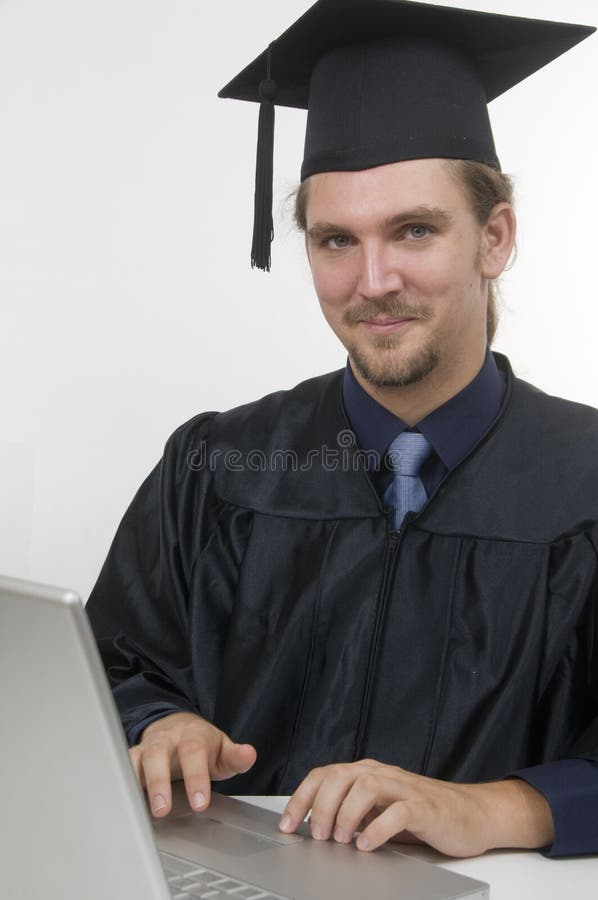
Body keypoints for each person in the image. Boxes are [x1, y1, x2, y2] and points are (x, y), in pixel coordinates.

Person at [87, 0, 598, 859]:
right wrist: (159, 723)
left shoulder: (586, 483)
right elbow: (101, 670)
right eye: (335, 240)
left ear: (494, 237)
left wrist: (494, 809)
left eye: (414, 230)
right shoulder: (218, 466)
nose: (372, 280)